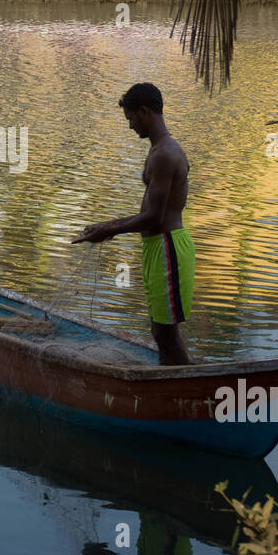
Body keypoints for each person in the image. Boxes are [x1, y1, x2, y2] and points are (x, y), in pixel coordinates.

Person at [73, 82, 195, 365]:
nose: (130, 127)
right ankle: (173, 383)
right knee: (158, 329)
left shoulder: (165, 154)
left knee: (165, 333)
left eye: (130, 119)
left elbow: (155, 217)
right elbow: (150, 212)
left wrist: (108, 231)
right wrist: (105, 225)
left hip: (169, 248)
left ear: (144, 112)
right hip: (157, 246)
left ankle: (178, 390)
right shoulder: (157, 151)